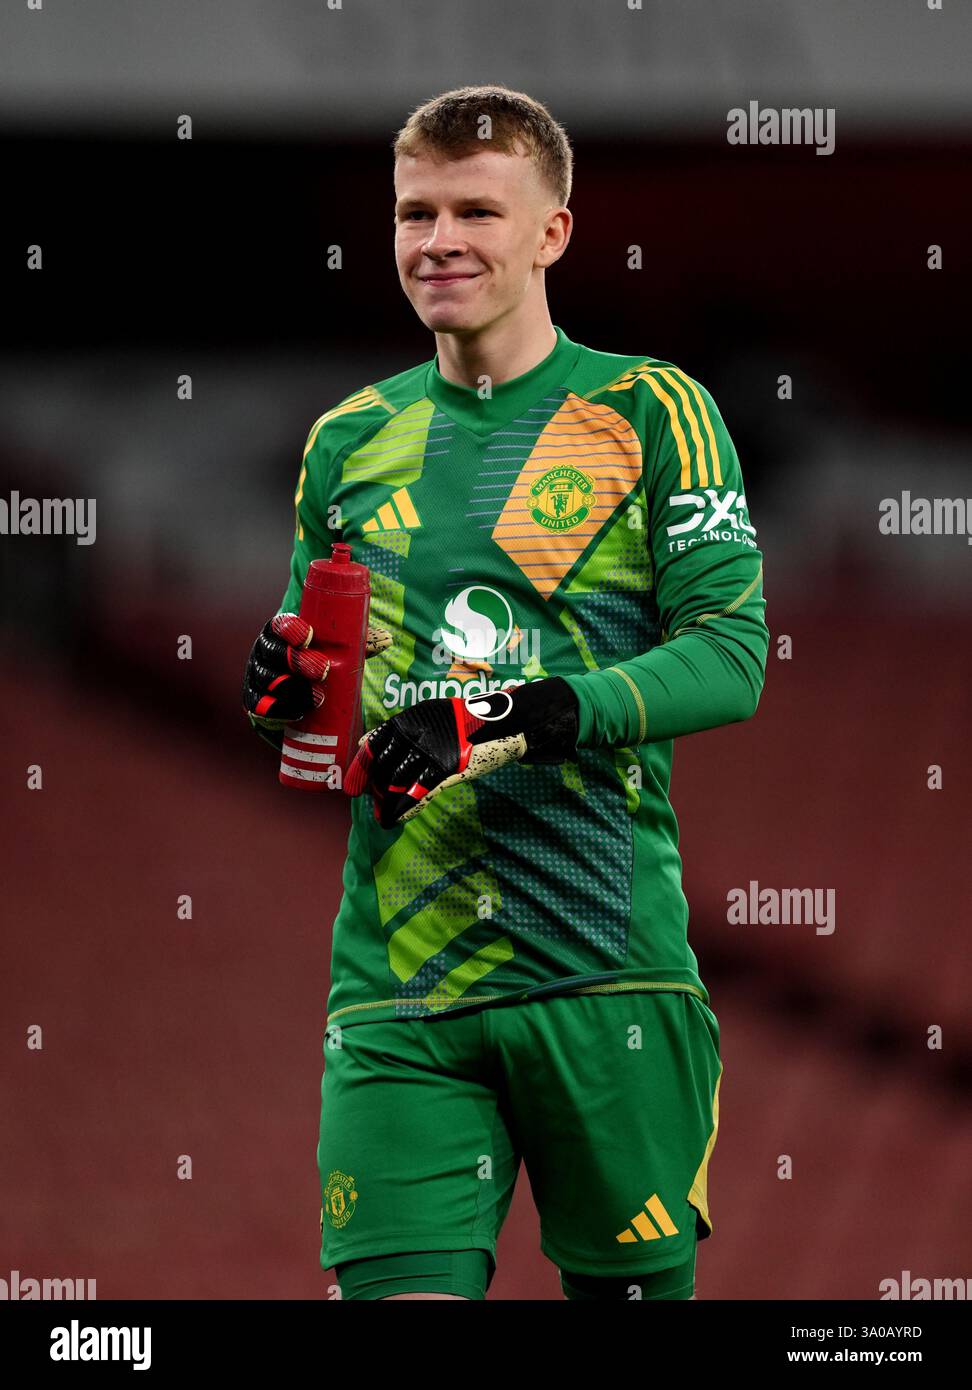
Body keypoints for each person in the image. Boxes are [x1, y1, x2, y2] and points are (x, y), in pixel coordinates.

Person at [242, 84, 769, 1301]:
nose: (440, 241)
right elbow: (319, 698)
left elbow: (732, 659)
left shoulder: (650, 412)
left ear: (553, 232)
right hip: (399, 988)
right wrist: (279, 686)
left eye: (478, 209)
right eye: (414, 211)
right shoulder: (347, 439)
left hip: (606, 973)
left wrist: (505, 716)